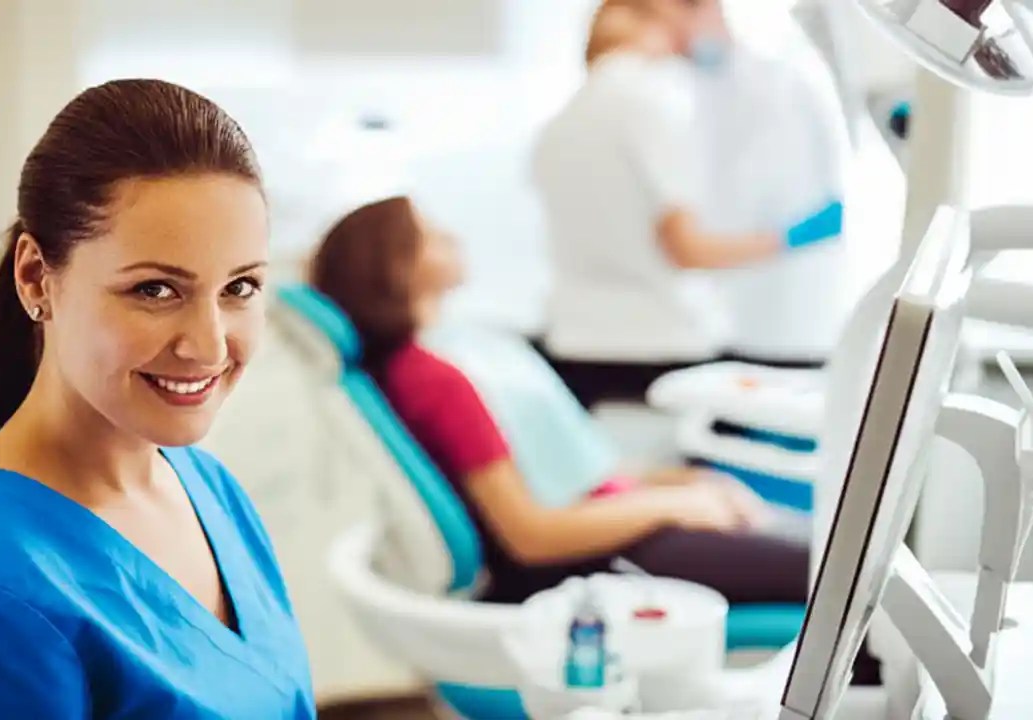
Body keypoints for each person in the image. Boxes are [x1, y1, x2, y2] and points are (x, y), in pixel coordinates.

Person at [0, 80, 316, 719]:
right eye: (155, 290)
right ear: (37, 277)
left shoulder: (207, 487)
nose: (209, 347)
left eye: (240, 287)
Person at [308, 196, 810, 607]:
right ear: (395, 264)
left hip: (612, 522)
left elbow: (556, 472)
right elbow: (531, 534)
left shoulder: (456, 350)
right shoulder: (434, 378)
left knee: (825, 552)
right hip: (593, 561)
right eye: (433, 235)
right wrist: (673, 505)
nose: (455, 238)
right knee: (833, 578)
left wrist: (681, 484)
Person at [531, 0, 844, 410]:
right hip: (660, 349)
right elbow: (686, 248)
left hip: (577, 344)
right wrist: (788, 239)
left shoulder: (560, 123)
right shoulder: (651, 100)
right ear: (669, 14)